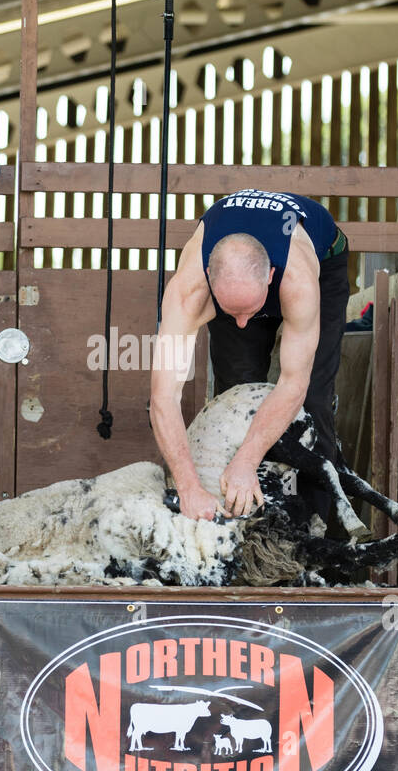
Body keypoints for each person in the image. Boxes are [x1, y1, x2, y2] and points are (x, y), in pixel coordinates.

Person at [149, 189, 350, 524]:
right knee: (235, 393)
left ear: (270, 277)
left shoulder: (298, 282)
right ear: (210, 279)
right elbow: (162, 398)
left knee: (313, 401)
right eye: (232, 313)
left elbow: (292, 385)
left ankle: (316, 533)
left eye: (250, 311)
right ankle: (237, 519)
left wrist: (247, 460)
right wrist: (188, 488)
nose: (242, 323)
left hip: (322, 259)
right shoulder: (188, 291)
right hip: (238, 284)